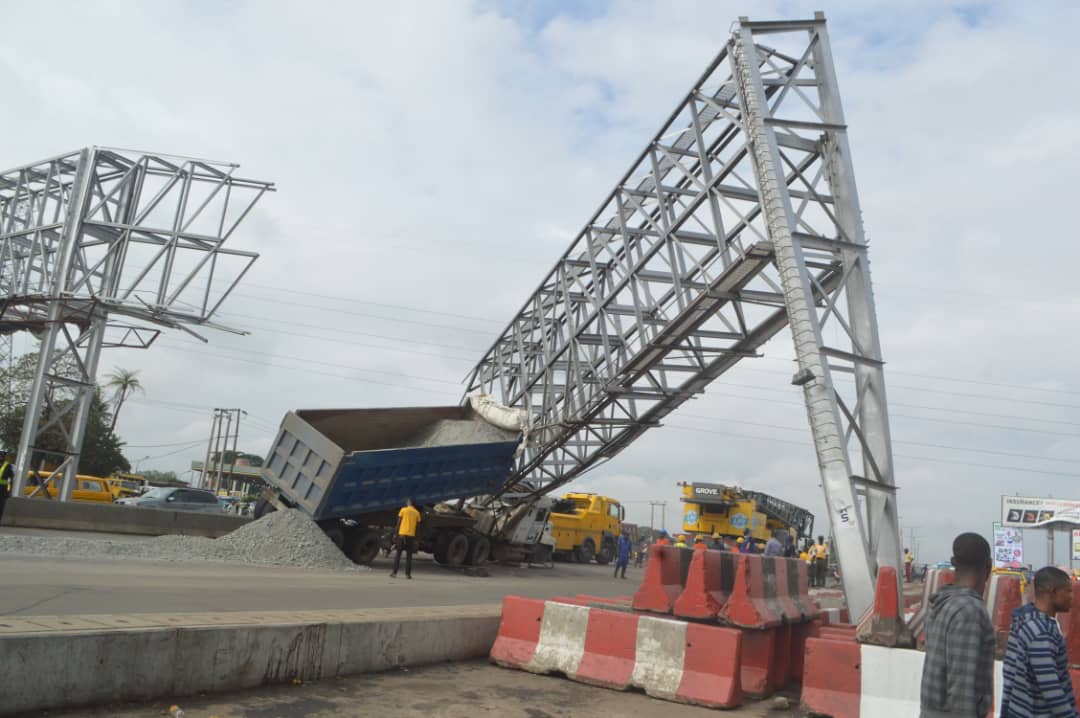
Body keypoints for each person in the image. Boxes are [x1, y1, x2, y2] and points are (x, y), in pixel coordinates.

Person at [920, 532, 995, 718]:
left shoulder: (941, 602)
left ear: (954, 562)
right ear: (988, 567)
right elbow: (963, 689)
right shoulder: (970, 611)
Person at [1000, 566, 1077, 717]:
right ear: (1052, 592)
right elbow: (1051, 689)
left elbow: (1009, 674)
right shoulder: (1041, 633)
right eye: (1068, 591)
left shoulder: (1025, 622)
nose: (1071, 596)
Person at [390, 497, 421, 579]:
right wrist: (416, 539)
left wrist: (395, 534)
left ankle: (394, 573)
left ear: (409, 502)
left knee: (398, 555)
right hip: (411, 536)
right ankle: (408, 574)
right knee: (409, 556)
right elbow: (418, 527)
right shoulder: (417, 513)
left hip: (402, 535)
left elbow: (398, 523)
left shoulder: (403, 510)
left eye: (407, 501)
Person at [0, 451, 11, 525]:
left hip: (2, 490)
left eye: (2, 456)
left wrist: (8, 492)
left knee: (0, 507)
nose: (1, 457)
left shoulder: (7, 466)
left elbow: (10, 479)